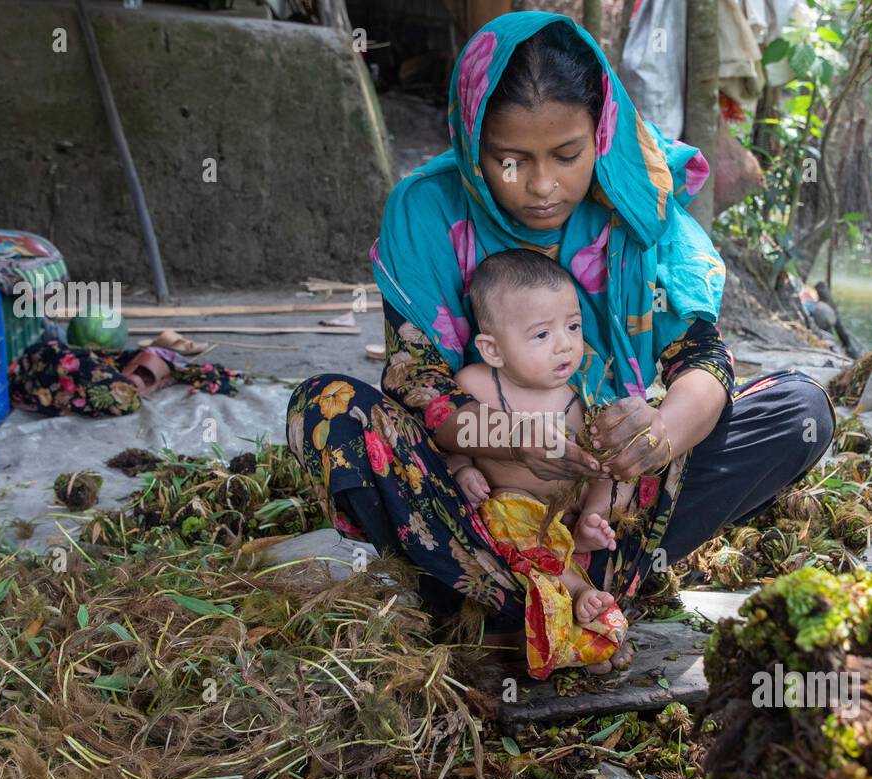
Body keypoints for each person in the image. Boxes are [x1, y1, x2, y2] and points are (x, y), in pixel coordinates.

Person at [286, 11, 835, 677]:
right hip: (474, 508)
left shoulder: (637, 201)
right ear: (471, 142)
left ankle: (560, 592)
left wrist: (657, 434)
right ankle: (516, 600)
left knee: (799, 410)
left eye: (568, 156)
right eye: (509, 161)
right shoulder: (427, 211)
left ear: (599, 134)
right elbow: (417, 385)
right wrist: (509, 438)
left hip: (608, 502)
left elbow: (703, 358)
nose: (542, 187)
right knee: (328, 410)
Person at [447, 248, 635, 677]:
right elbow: (450, 440)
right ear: (493, 349)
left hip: (560, 523)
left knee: (612, 483)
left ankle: (587, 613)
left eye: (572, 326)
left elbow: (599, 466)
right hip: (503, 520)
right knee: (514, 531)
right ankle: (569, 613)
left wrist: (592, 511)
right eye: (541, 335)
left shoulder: (580, 397)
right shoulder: (476, 386)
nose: (566, 344)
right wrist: (462, 469)